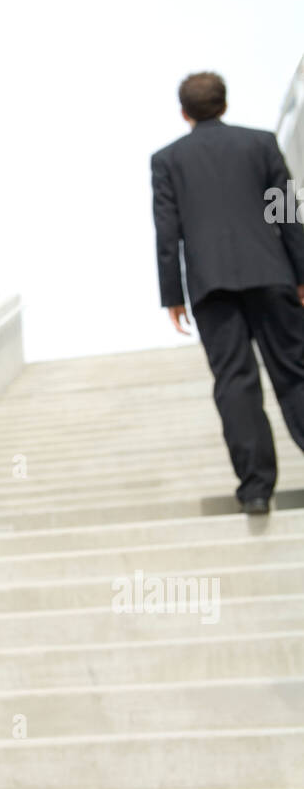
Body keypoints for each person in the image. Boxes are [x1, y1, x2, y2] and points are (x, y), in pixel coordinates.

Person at [151, 71, 304, 514]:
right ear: (225, 104)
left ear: (184, 112)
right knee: (295, 372)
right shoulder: (260, 144)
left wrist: (173, 294)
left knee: (235, 382)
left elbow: (168, 232)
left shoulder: (167, 161)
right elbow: (288, 212)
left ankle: (256, 489)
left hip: (211, 288)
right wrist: (301, 272)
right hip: (272, 274)